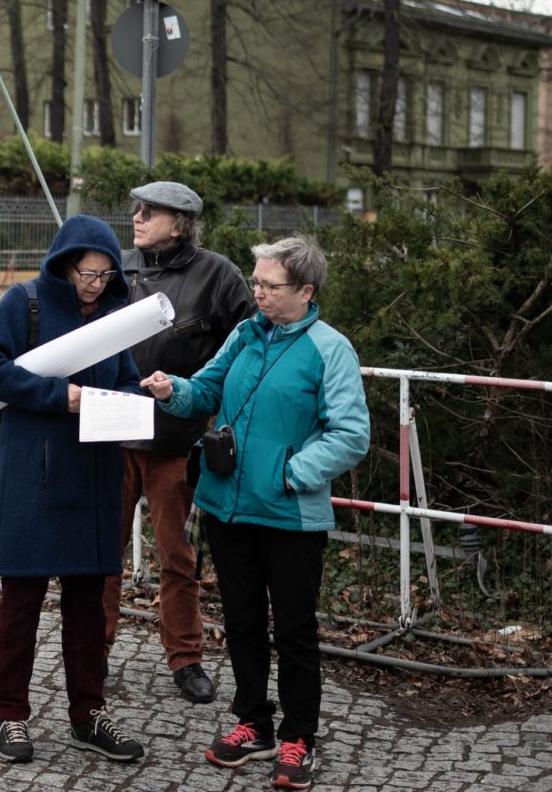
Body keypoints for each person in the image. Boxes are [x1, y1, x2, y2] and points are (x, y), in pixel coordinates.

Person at [139, 235, 369, 791]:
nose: (258, 293)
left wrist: (290, 474)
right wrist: (174, 390)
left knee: (294, 631)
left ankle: (298, 738)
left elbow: (351, 434)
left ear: (306, 291)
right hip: (226, 506)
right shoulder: (244, 333)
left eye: (270, 285)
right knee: (241, 624)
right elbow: (206, 392)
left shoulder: (330, 349)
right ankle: (252, 724)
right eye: (256, 282)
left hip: (290, 516)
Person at [0, 214, 146, 766]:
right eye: (89, 273)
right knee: (21, 604)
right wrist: (56, 396)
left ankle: (88, 714)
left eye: (106, 274)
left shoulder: (114, 314)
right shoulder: (26, 303)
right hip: (33, 479)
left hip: (93, 478)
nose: (96, 283)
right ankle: (10, 716)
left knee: (88, 608)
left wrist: (143, 391)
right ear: (66, 264)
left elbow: (126, 378)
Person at [104, 181, 255, 704]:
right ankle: (91, 649)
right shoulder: (115, 266)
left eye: (150, 211)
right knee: (102, 550)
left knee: (178, 557)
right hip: (111, 434)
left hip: (177, 441)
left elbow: (249, 346)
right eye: (136, 208)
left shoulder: (218, 275)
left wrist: (223, 412)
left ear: (181, 222)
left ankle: (186, 658)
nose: (137, 217)